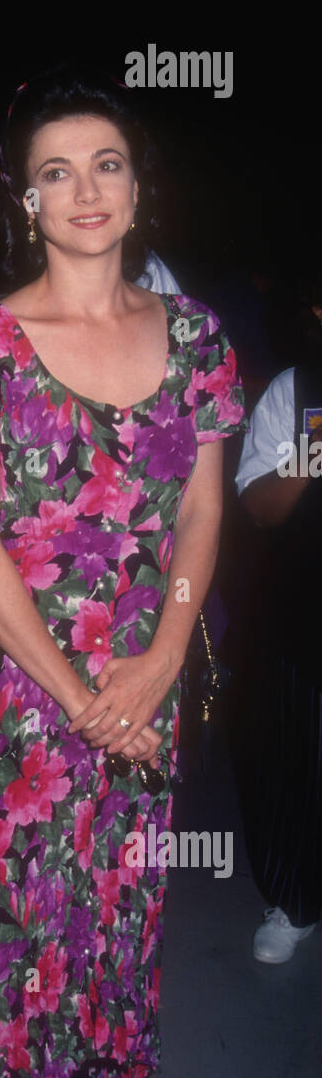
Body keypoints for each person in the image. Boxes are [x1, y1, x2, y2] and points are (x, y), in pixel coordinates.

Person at [0, 66, 246, 1078]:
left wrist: (155, 664)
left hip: (142, 694)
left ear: (140, 186)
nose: (85, 188)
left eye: (106, 162)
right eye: (56, 170)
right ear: (25, 200)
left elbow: (203, 516)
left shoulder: (197, 337)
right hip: (15, 707)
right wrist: (81, 701)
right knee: (24, 952)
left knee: (99, 928)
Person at [233, 282, 322, 962]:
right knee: (291, 764)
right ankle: (293, 903)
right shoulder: (292, 392)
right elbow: (258, 506)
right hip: (300, 620)